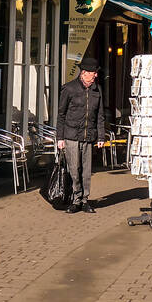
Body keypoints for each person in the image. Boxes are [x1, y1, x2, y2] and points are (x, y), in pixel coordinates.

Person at [56, 55, 106, 214]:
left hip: (88, 136)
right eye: (93, 73)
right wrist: (60, 137)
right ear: (84, 73)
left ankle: (85, 200)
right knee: (74, 169)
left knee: (86, 171)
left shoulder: (97, 90)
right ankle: (76, 199)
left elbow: (100, 115)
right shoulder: (69, 88)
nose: (96, 75)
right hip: (71, 135)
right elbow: (61, 114)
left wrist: (101, 136)